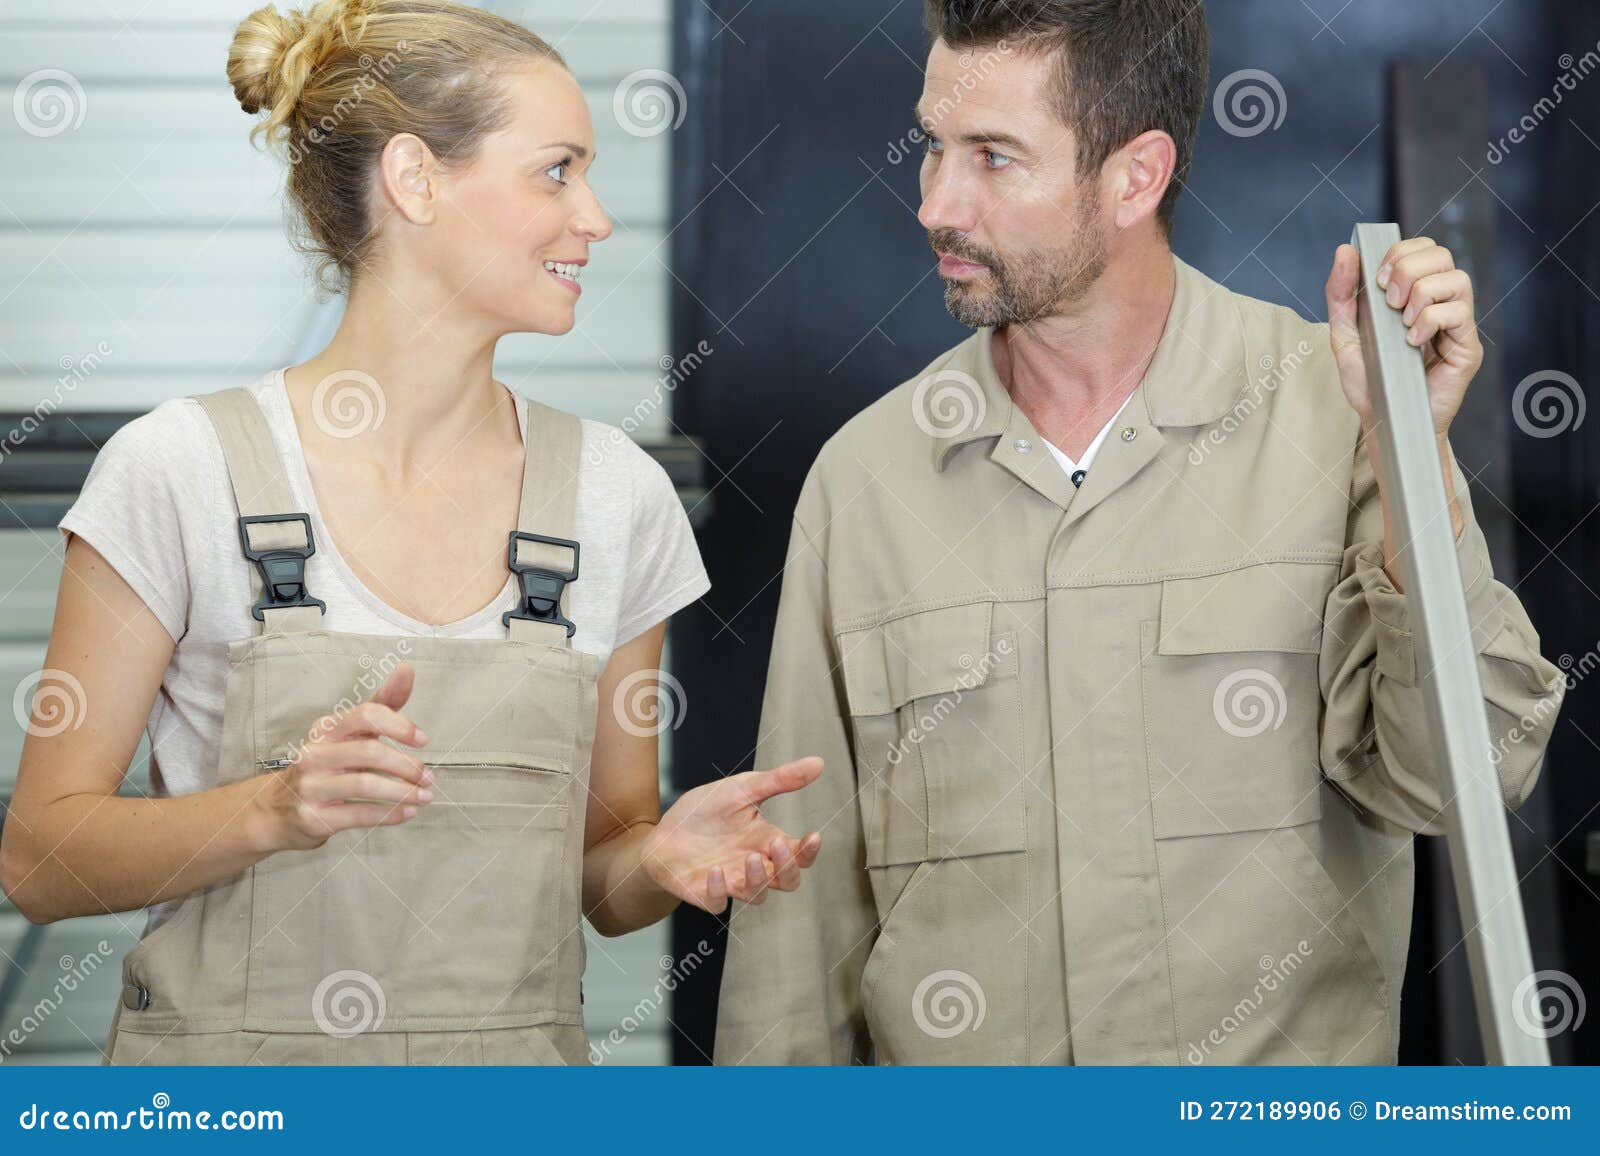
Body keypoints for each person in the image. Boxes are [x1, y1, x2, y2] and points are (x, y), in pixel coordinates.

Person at [714, 0, 1566, 1065]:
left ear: (1135, 175)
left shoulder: (1337, 418)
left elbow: (1459, 776)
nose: (936, 201)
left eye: (993, 158)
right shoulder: (868, 482)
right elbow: (797, 937)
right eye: (934, 147)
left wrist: (1413, 454)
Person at [0, 0, 822, 1067]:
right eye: (557, 170)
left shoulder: (612, 496)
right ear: (415, 178)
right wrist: (273, 809)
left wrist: (658, 856)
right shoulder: (180, 471)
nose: (597, 220)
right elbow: (39, 859)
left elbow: (600, 880)